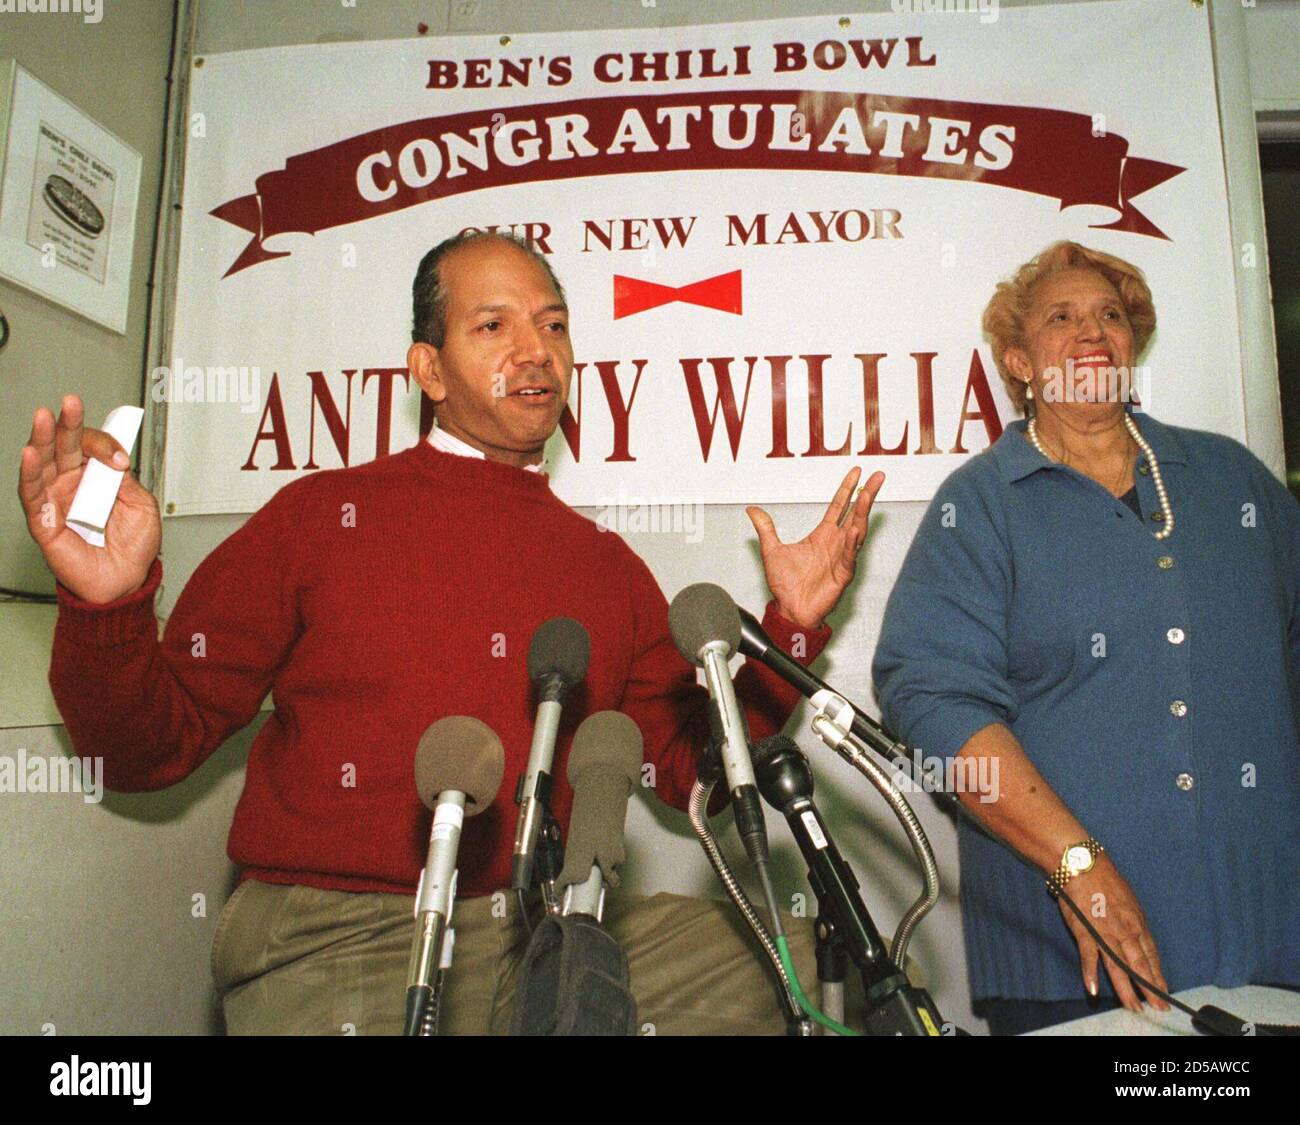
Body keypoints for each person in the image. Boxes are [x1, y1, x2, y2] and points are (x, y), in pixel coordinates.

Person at [19, 230, 886, 1035]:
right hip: (341, 936)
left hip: (547, 928)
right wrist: (108, 605)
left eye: (553, 324)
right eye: (493, 325)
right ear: (429, 370)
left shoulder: (605, 565)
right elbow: (144, 747)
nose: (535, 351)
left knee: (823, 964)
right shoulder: (319, 519)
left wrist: (791, 627)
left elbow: (698, 771)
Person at [872, 240, 1300, 1036]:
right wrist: (1080, 866)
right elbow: (928, 694)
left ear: (1133, 344)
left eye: (1111, 315)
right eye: (1060, 318)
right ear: (1019, 360)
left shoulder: (1232, 480)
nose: (1092, 331)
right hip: (1068, 965)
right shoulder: (982, 506)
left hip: (1271, 944)